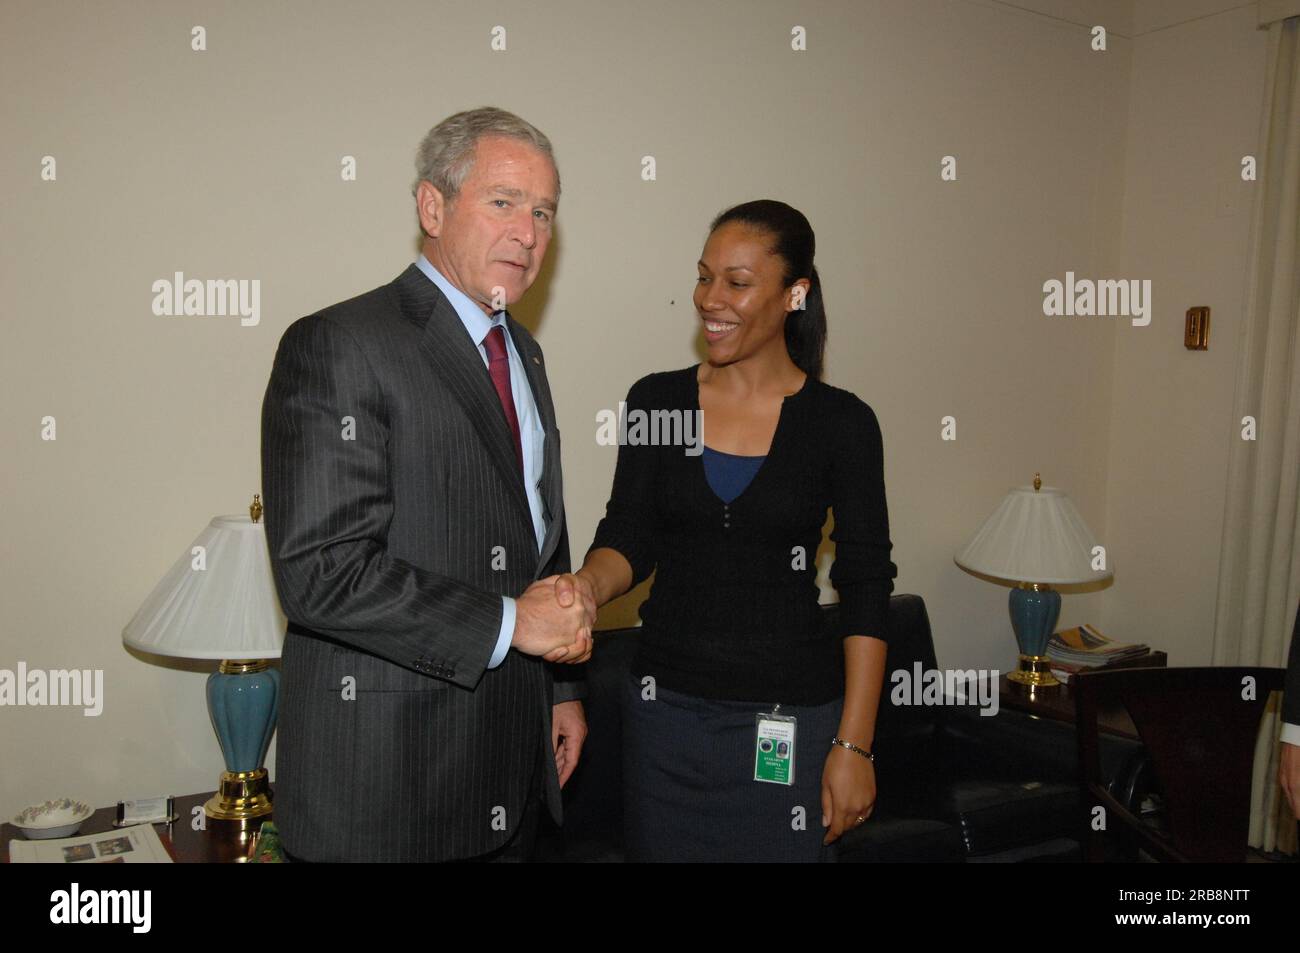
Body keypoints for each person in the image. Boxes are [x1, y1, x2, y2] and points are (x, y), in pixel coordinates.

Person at [261, 107, 595, 862]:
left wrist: (563, 687)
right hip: (391, 791)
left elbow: (537, 528)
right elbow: (323, 573)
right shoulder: (339, 343)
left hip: (511, 773)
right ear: (432, 206)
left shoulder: (525, 353)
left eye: (544, 211)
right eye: (504, 201)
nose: (529, 231)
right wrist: (514, 624)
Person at [557, 199, 897, 861]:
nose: (711, 299)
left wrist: (854, 745)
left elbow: (866, 585)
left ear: (794, 293)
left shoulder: (841, 424)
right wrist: (585, 587)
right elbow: (629, 532)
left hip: (787, 721)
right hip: (664, 718)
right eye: (704, 276)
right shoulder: (658, 400)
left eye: (737, 282)